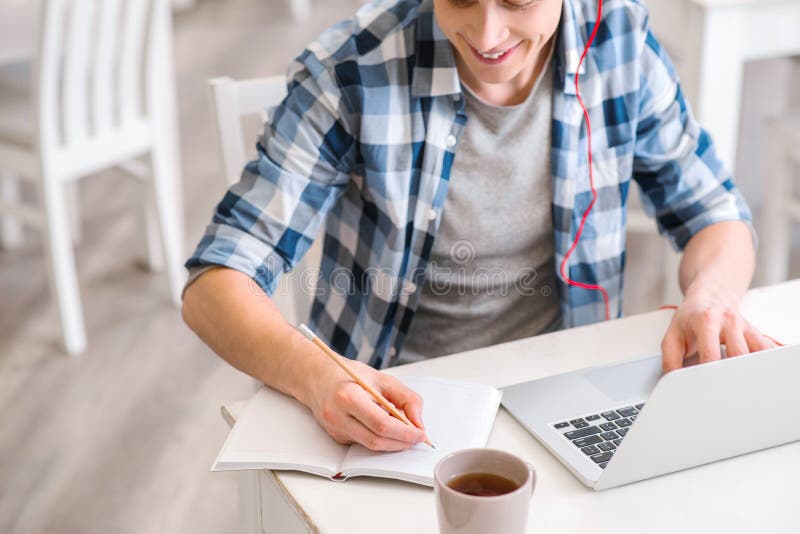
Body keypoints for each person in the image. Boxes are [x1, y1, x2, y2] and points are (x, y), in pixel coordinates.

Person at [182, 0, 775, 452]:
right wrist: (314, 375)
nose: (487, 36)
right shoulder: (350, 72)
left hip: (567, 389)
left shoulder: (619, 41)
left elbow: (715, 212)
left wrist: (711, 297)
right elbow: (214, 284)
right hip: (392, 402)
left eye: (517, 0)